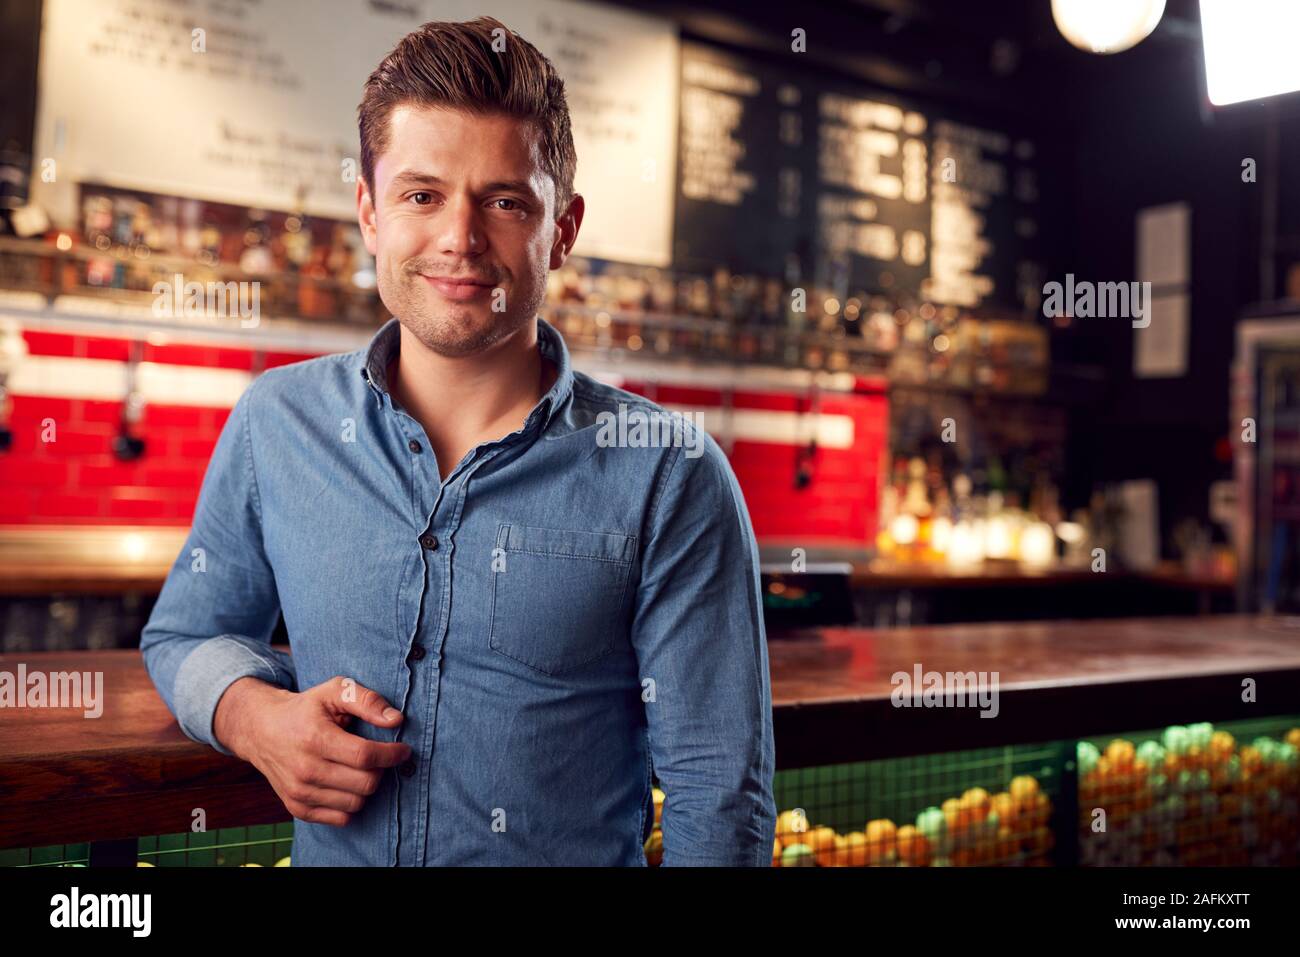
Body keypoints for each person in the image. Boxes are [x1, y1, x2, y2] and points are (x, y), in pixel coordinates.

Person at [140, 16, 775, 866]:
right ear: (369, 212)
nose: (460, 239)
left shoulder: (670, 473)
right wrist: (254, 717)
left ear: (563, 228)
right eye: (421, 194)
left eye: (505, 202)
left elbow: (718, 796)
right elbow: (184, 634)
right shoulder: (275, 424)